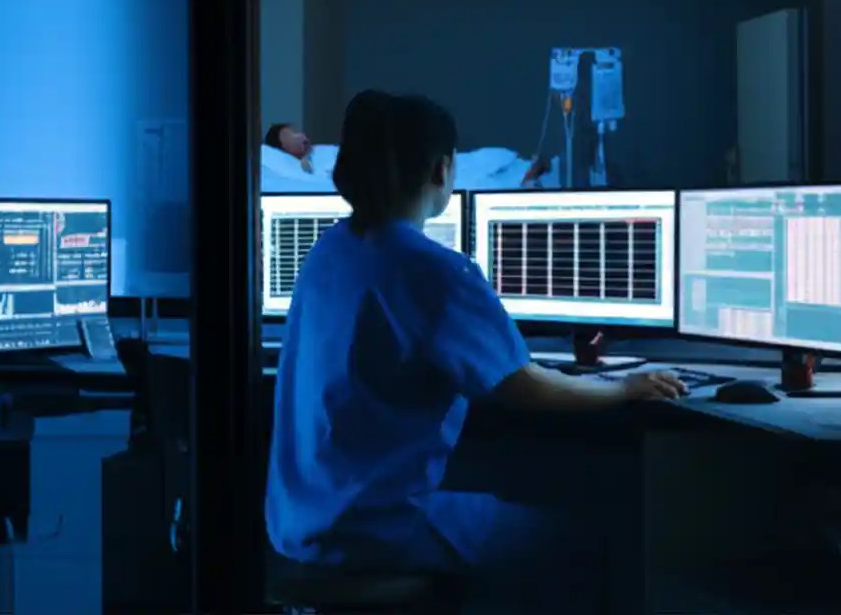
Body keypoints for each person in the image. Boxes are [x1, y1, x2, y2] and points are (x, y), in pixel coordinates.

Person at [265, 88, 685, 609]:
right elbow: (523, 386)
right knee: (588, 538)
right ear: (442, 171)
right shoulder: (433, 270)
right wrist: (625, 386)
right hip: (371, 530)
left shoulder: (327, 251)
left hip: (298, 522)